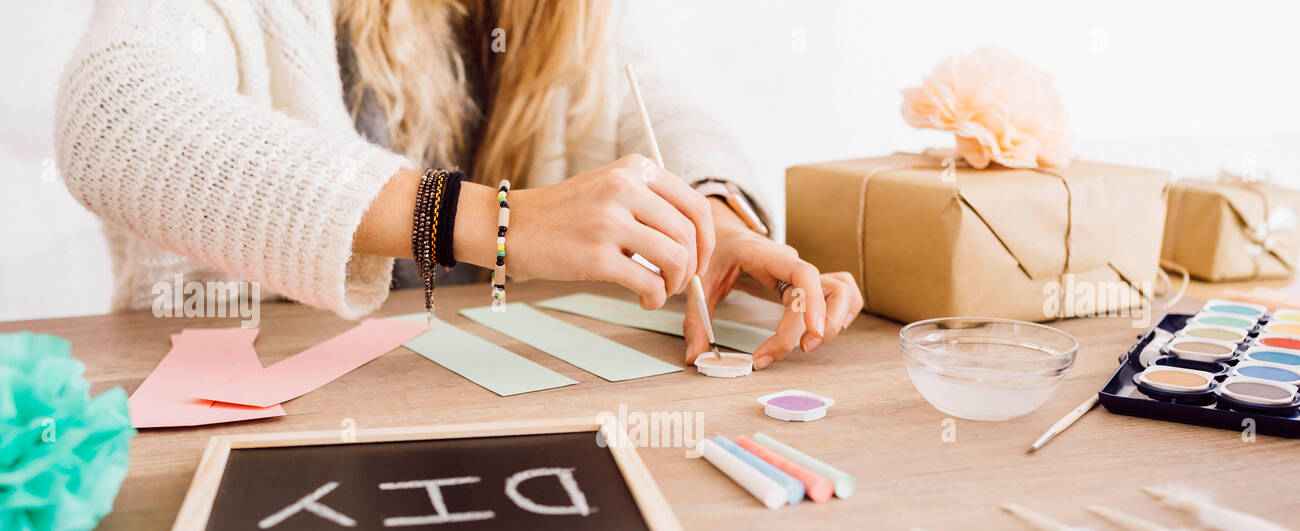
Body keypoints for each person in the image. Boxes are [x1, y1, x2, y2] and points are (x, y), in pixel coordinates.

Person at [55, 0, 862, 368]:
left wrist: (714, 214)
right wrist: (495, 222)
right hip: (256, 406)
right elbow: (113, 117)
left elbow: (653, 99)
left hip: (489, 395)